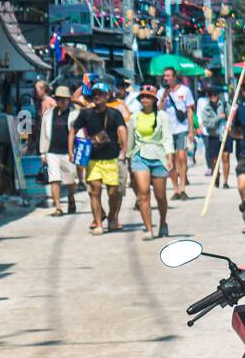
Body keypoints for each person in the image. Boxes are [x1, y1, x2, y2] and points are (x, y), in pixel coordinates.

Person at [69, 80, 127, 234]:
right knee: (94, 190)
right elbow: (73, 130)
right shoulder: (86, 113)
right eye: (94, 94)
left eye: (100, 94)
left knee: (113, 192)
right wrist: (70, 150)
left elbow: (122, 129)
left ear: (107, 96)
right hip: (93, 159)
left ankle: (112, 217)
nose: (97, 96)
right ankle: (99, 224)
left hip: (111, 159)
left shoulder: (115, 113)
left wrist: (125, 148)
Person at [129, 84, 171, 240]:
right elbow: (130, 139)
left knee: (160, 196)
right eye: (143, 97)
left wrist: (170, 157)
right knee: (143, 193)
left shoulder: (162, 116)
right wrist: (129, 157)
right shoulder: (134, 117)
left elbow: (167, 138)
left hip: (159, 157)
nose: (145, 99)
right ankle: (148, 228)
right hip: (139, 156)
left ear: (154, 99)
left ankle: (163, 222)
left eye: (148, 96)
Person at [39, 84, 78, 215]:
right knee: (54, 179)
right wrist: (43, 153)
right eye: (59, 98)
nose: (61, 101)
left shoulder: (74, 114)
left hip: (68, 152)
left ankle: (71, 198)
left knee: (71, 180)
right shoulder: (48, 114)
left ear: (68, 100)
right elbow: (44, 134)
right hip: (52, 152)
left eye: (64, 98)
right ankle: (58, 207)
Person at [158, 67, 195, 200]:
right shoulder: (162, 92)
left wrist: (191, 130)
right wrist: (163, 97)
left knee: (182, 157)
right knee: (170, 160)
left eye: (168, 76)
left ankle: (183, 187)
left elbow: (190, 111)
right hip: (167, 130)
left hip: (181, 129)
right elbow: (159, 110)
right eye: (164, 76)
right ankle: (175, 189)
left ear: (174, 77)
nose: (165, 78)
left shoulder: (185, 91)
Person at [198, 84, 230, 187]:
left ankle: (225, 182)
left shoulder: (225, 105)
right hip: (214, 136)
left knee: (226, 158)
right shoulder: (206, 109)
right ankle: (217, 175)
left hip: (224, 135)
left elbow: (231, 117)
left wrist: (230, 124)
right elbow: (207, 124)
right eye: (211, 95)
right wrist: (218, 118)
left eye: (215, 94)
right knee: (215, 161)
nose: (213, 96)